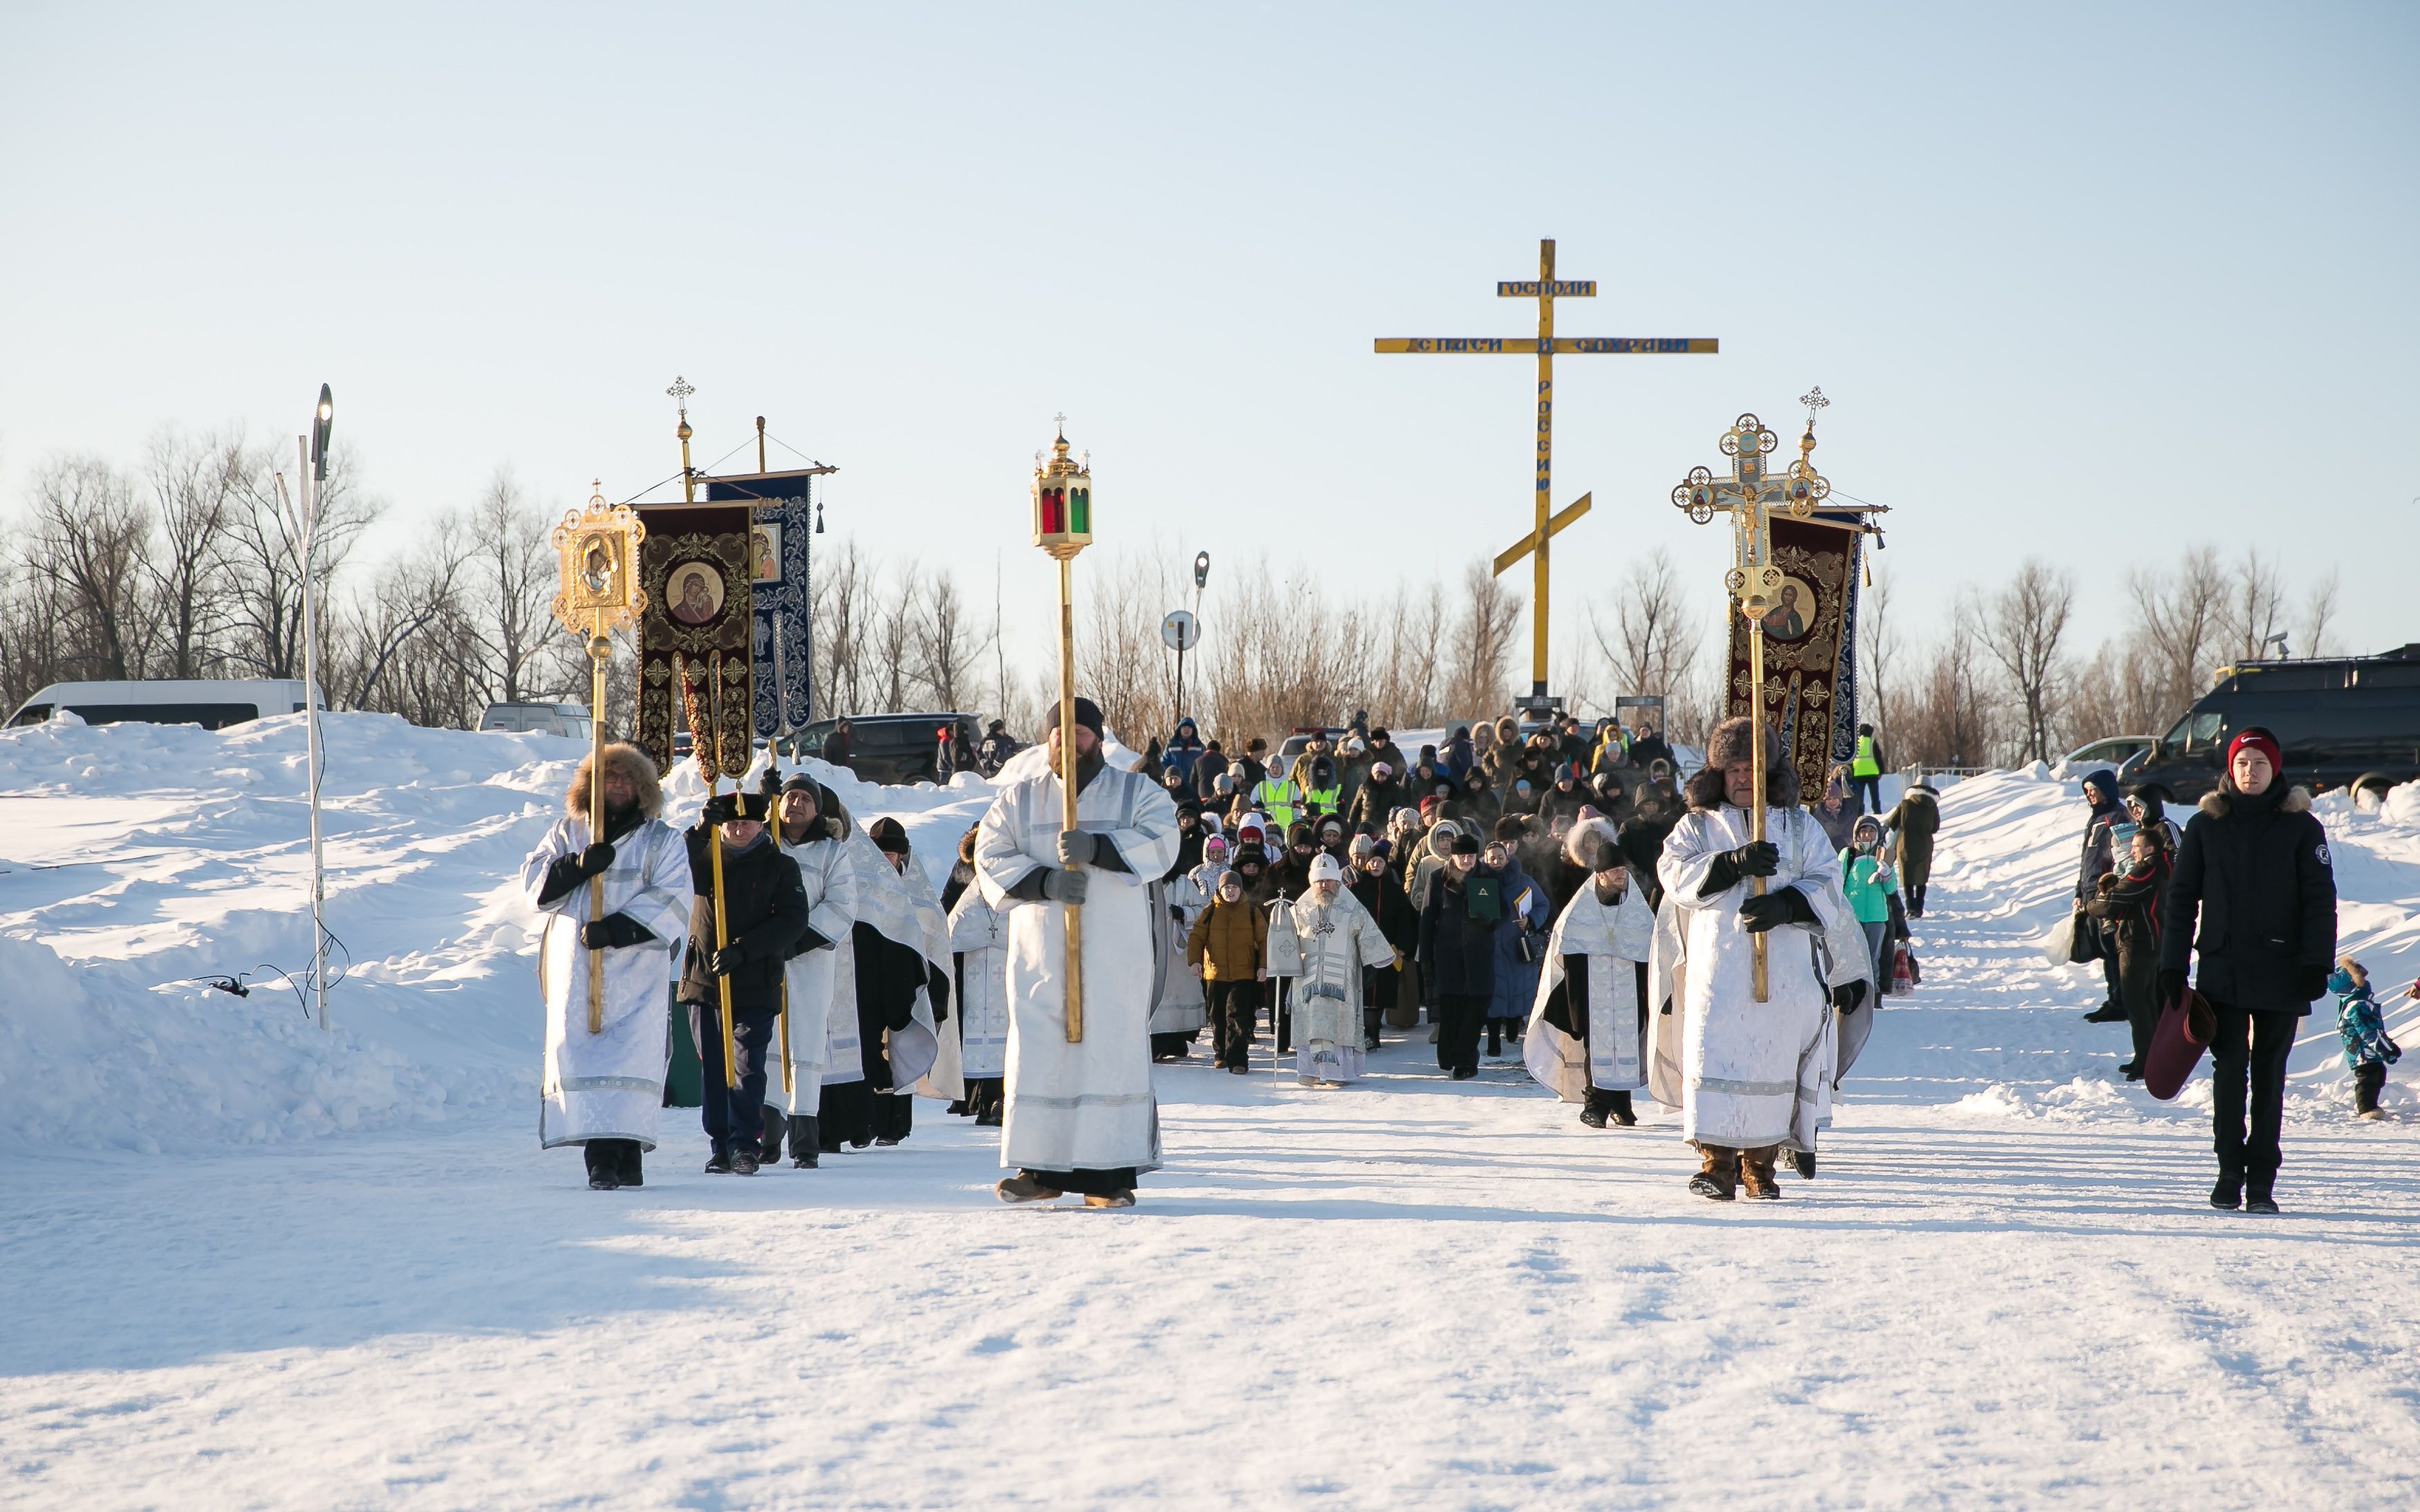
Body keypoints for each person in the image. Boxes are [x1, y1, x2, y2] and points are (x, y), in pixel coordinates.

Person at [1648, 716, 1871, 1202]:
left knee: (1770, 1067)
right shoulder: (1699, 826)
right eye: (1734, 769)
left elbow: (1829, 878)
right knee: (1715, 1060)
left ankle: (1760, 1170)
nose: (1744, 778)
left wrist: (1787, 905)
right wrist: (1729, 864)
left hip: (1780, 976)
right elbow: (1672, 872)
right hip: (1719, 976)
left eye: (1752, 768)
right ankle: (1717, 1165)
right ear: (1719, 773)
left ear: (1768, 772)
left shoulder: (1796, 824)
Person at [975, 696, 1182, 1208]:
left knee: (1107, 1056)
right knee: (1043, 1054)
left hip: (1112, 959)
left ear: (1098, 737)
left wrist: (1100, 849)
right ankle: (1039, 1170)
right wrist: (1044, 881)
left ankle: (1107, 1178)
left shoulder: (1135, 791)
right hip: (1042, 959)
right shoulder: (1020, 799)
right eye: (1058, 733)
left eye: (1080, 732)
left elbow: (1166, 840)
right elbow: (989, 853)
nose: (1069, 741)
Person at [2158, 727, 2337, 1213]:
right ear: (2230, 770)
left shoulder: (2302, 828)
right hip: (2224, 968)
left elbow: (2319, 901)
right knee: (2230, 1068)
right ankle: (2228, 1172)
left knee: (2270, 1074)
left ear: (2274, 768)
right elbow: (2180, 900)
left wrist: (2316, 963)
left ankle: (2262, 1181)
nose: (2250, 772)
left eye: (2259, 762)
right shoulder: (2205, 826)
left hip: (2282, 970)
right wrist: (2172, 963)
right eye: (2242, 763)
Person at [519, 743, 692, 1191]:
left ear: (642, 789)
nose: (616, 785)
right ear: (590, 785)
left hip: (637, 973)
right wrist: (576, 867)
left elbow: (675, 899)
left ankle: (627, 1155)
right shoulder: (567, 833)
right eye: (608, 777)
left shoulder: (663, 840)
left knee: (631, 1063)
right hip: (578, 973)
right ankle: (602, 1160)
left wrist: (616, 929)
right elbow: (535, 885)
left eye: (625, 779)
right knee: (586, 1057)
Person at [679, 788, 810, 1175]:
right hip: (705, 978)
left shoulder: (780, 866)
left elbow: (792, 921)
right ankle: (720, 1144)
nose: (739, 829)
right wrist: (701, 829)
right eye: (731, 823)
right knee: (714, 1067)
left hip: (755, 980)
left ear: (760, 825)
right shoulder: (706, 859)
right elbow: (675, 863)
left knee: (747, 1066)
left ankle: (744, 1144)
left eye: (747, 823)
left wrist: (744, 949)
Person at [819, 816, 949, 1152]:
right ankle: (865, 1121)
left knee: (897, 1051)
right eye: (883, 853)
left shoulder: (917, 888)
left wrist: (933, 996)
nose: (888, 860)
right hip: (863, 977)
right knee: (863, 1053)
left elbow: (932, 940)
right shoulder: (861, 879)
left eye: (893, 854)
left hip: (900, 980)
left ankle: (895, 1124)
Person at [1525, 818, 1655, 1129]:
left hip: (1628, 993)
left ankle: (1622, 1105)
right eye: (1615, 872)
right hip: (1591, 993)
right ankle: (1595, 1106)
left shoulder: (1637, 911)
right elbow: (1565, 950)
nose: (1621, 876)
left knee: (1626, 1045)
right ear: (1600, 877)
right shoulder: (1579, 911)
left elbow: (1651, 950)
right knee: (1595, 1049)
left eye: (1623, 871)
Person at [763, 771, 859, 1167]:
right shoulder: (764, 845)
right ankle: (767, 1134)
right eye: (789, 797)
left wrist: (798, 940)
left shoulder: (832, 853)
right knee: (766, 1044)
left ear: (817, 809)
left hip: (811, 960)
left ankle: (804, 1140)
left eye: (805, 798)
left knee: (806, 1044)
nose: (796, 804)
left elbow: (842, 904)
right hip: (765, 957)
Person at [1267, 853, 1397, 1086]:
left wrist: (1376, 961)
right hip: (1307, 979)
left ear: (1338, 881)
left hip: (1342, 981)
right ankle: (1310, 1072)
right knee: (1310, 1024)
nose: (1325, 885)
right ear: (1312, 882)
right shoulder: (1299, 909)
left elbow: (1369, 934)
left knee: (1339, 1025)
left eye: (1329, 880)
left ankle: (1337, 1073)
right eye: (1320, 881)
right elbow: (1285, 943)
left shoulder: (1352, 907)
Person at [2085, 826, 2170, 1081]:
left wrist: (2093, 904)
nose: (2131, 851)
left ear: (2150, 849)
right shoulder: (2163, 866)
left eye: (2136, 847)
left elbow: (2112, 902)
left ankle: (2145, 1062)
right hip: (2153, 942)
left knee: (2137, 1004)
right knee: (2148, 1002)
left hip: (2139, 943)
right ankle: (2152, 1058)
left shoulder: (2149, 870)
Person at [946, 832, 1012, 1126]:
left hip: (1007, 967)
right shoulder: (964, 872)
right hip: (973, 969)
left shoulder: (1014, 872)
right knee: (975, 1037)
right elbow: (951, 913)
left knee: (1008, 1038)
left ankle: (1002, 1099)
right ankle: (977, 1101)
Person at [1419, 834, 1496, 1080]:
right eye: (1462, 856)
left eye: (1470, 856)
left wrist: (1489, 918)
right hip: (1449, 957)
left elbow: (1502, 912)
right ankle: (1450, 1055)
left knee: (1476, 1010)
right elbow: (1427, 920)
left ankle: (1466, 1061)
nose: (1466, 860)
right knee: (1452, 1011)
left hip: (1479, 957)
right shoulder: (1437, 878)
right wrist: (1426, 959)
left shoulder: (1489, 878)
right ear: (1452, 856)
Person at [1187, 867, 1269, 1073]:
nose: (1231, 891)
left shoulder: (1252, 912)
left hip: (1243, 974)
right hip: (1215, 974)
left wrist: (1263, 966)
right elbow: (1196, 937)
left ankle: (1238, 1060)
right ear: (1220, 890)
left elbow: (1264, 939)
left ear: (1241, 890)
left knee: (1237, 1017)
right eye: (1227, 887)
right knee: (1217, 1018)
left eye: (1234, 887)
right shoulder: (1210, 911)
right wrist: (1194, 961)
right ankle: (1220, 1054)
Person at [1483, 825, 1549, 1060]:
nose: (1497, 862)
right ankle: (1492, 1040)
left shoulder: (1524, 881)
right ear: (1486, 859)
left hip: (1516, 944)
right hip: (1490, 945)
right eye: (1492, 859)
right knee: (1492, 994)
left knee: (1516, 991)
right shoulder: (1480, 881)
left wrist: (1530, 921)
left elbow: (1543, 905)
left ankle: (1512, 1028)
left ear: (1507, 857)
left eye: (1500, 858)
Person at [1349, 835, 1419, 1046]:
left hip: (1389, 949)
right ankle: (1367, 1032)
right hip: (1362, 949)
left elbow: (1406, 921)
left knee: (1382, 992)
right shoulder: (1356, 889)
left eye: (1380, 861)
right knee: (1364, 990)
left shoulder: (1395, 891)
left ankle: (1373, 1031)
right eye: (1372, 861)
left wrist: (1404, 948)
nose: (1376, 865)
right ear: (1366, 864)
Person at [2075, 769, 2131, 1024]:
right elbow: (2088, 861)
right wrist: (2079, 891)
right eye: (2087, 792)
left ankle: (2121, 1002)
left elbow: (2122, 857)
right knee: (2103, 949)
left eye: (2094, 790)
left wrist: (2111, 888)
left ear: (2106, 790)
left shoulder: (2118, 816)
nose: (2090, 796)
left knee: (2112, 948)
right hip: (2090, 893)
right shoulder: (2096, 818)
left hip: (2107, 893)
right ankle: (2113, 997)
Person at [2331, 960, 2399, 1120]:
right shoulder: (2358, 1005)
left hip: (2367, 1051)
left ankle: (2370, 1104)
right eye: (2362, 978)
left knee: (2377, 1075)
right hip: (2364, 1053)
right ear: (2353, 984)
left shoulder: (2357, 1003)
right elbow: (2368, 1032)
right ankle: (2367, 1108)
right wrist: (2385, 1048)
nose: (2366, 981)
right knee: (2368, 1079)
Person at [1840, 815, 1901, 992]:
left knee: (1872, 959)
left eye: (1871, 831)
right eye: (1863, 831)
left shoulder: (1883, 855)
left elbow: (1891, 890)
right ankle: (1850, 994)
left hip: (1876, 916)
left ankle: (1871, 997)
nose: (1867, 835)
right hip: (1852, 916)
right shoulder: (1849, 854)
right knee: (1852, 957)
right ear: (1857, 834)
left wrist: (1887, 873)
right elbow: (1838, 881)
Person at [1879, 778, 1941, 918]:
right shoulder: (1933, 806)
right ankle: (1919, 909)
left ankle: (1910, 908)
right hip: (1925, 845)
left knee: (1907, 876)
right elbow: (1935, 828)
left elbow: (1892, 822)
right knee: (1921, 876)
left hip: (1905, 843)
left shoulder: (1905, 804)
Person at [1812, 770, 1860, 854]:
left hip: (1849, 854)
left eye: (1835, 798)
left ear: (1840, 799)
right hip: (1827, 854)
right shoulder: (1818, 818)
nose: (1832, 801)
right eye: (1829, 799)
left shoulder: (1850, 815)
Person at [1848, 723, 1883, 813]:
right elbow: (1878, 757)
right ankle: (1877, 812)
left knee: (1860, 796)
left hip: (1858, 773)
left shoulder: (1855, 743)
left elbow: (1851, 759)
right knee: (1875, 796)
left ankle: (1860, 813)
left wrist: (1851, 773)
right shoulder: (1872, 742)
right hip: (1872, 773)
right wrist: (1881, 771)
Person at [1165, 716, 1207, 782]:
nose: (1186, 730)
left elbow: (1204, 767)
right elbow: (1164, 764)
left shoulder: (1200, 747)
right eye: (1184, 727)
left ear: (1193, 730)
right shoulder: (1171, 746)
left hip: (1193, 786)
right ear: (1180, 729)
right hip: (1174, 785)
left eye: (1189, 728)